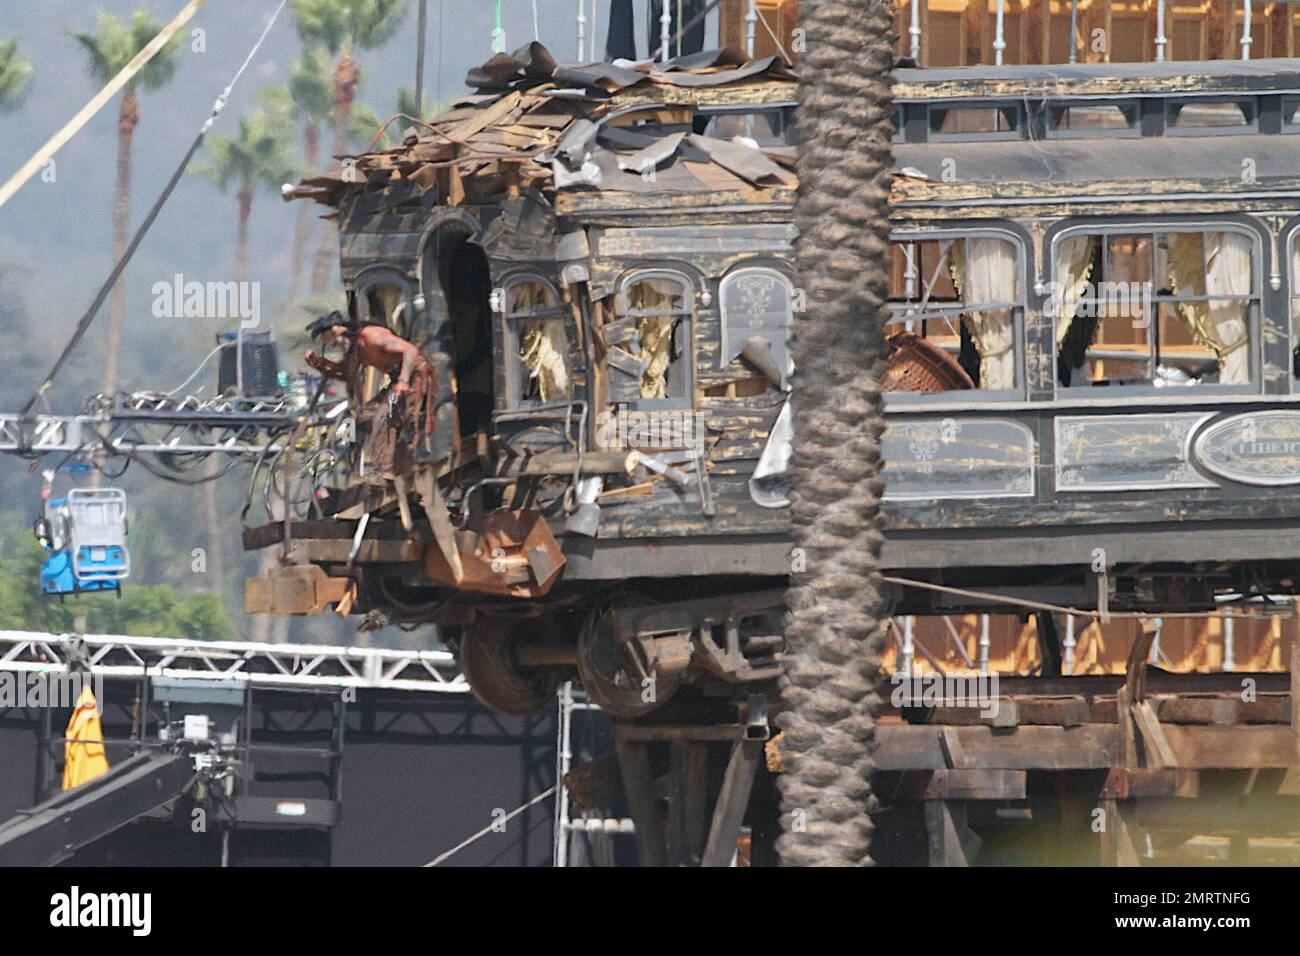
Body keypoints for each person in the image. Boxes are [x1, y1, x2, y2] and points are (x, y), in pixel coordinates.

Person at [305, 311, 437, 435]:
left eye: (336, 342)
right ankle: (353, 454)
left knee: (385, 418)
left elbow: (410, 350)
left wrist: (403, 380)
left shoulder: (371, 336)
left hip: (417, 377)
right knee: (358, 418)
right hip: (397, 382)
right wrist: (319, 363)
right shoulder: (356, 349)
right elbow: (345, 373)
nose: (338, 347)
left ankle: (405, 452)